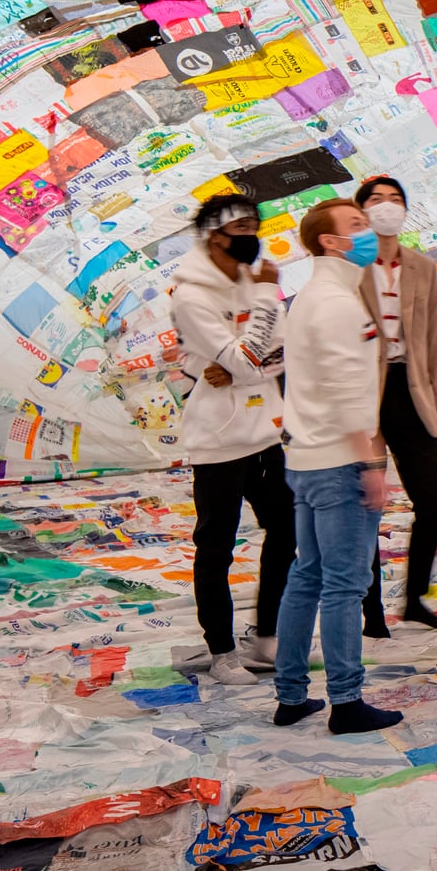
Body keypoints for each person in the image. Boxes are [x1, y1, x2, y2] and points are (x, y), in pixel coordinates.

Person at [274, 198, 400, 734]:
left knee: (306, 576)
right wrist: (371, 460)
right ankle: (347, 702)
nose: (368, 230)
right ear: (329, 241)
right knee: (346, 586)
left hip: (304, 458)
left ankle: (291, 696)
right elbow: (351, 388)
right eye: (356, 225)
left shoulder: (307, 298)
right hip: (339, 461)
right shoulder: (339, 302)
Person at [171, 195, 293, 687]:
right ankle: (221, 650)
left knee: (289, 530)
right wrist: (265, 304)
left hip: (265, 434)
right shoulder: (190, 295)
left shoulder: (250, 282)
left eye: (253, 223)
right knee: (215, 547)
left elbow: (278, 355)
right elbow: (242, 361)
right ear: (214, 235)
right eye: (239, 225)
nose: (250, 232)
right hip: (219, 443)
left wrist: (237, 364)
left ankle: (266, 634)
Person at [351, 176, 437, 635]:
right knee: (367, 506)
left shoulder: (421, 267)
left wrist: (436, 401)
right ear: (361, 212)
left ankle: (414, 599)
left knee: (433, 501)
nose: (387, 207)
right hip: (363, 395)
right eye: (377, 200)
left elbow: (430, 338)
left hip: (410, 390)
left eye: (395, 199)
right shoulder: (349, 266)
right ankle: (370, 611)